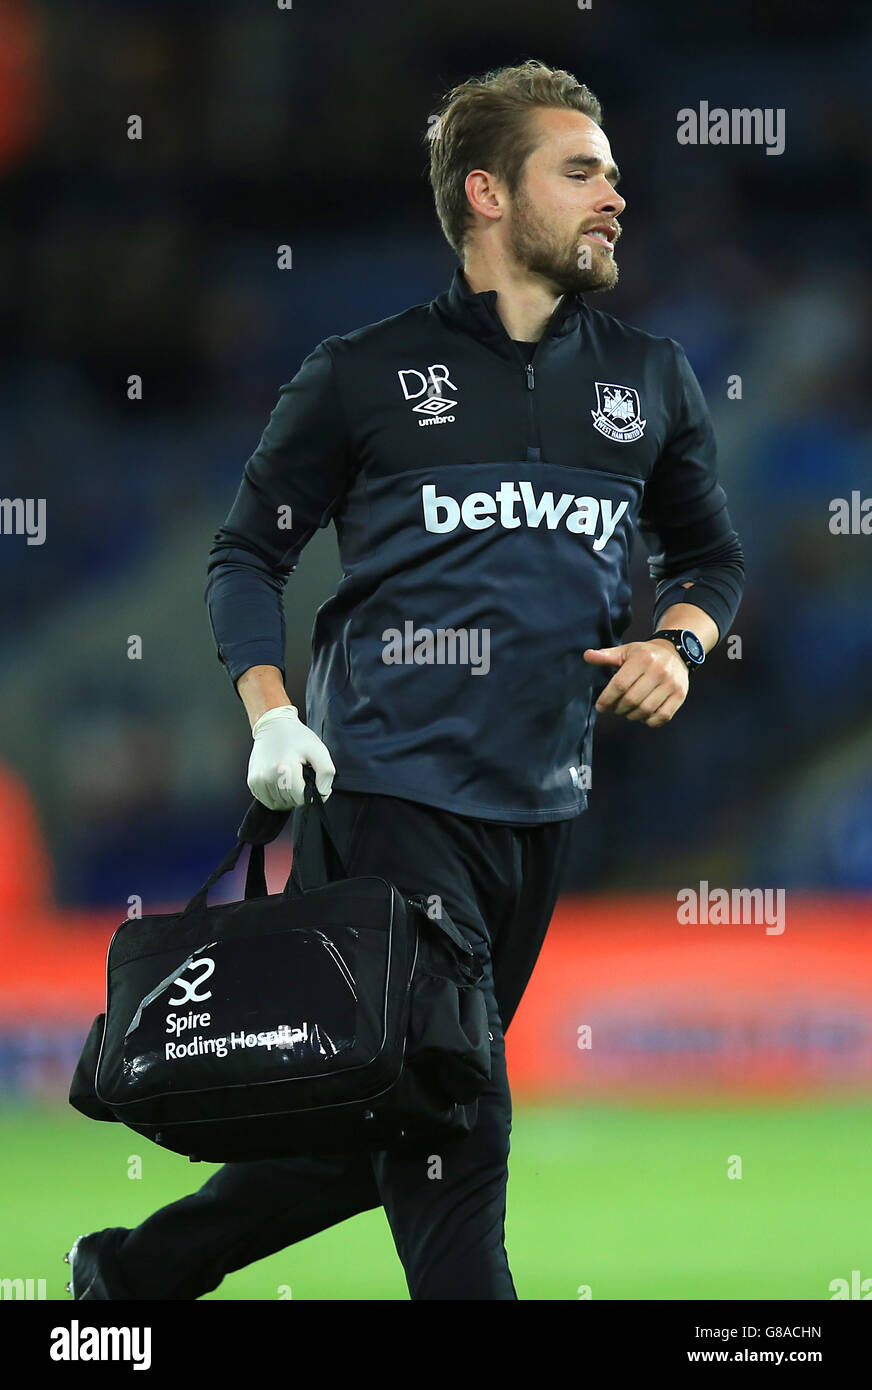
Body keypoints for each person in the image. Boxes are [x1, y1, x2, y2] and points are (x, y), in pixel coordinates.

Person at [65, 58, 744, 1301]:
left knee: (391, 1093)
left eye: (614, 173)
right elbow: (244, 553)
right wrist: (269, 712)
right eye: (579, 171)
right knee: (456, 1103)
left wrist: (679, 642)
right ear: (487, 193)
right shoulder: (361, 373)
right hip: (387, 786)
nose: (613, 198)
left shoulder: (647, 378)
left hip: (541, 803)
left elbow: (708, 557)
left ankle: (136, 1274)